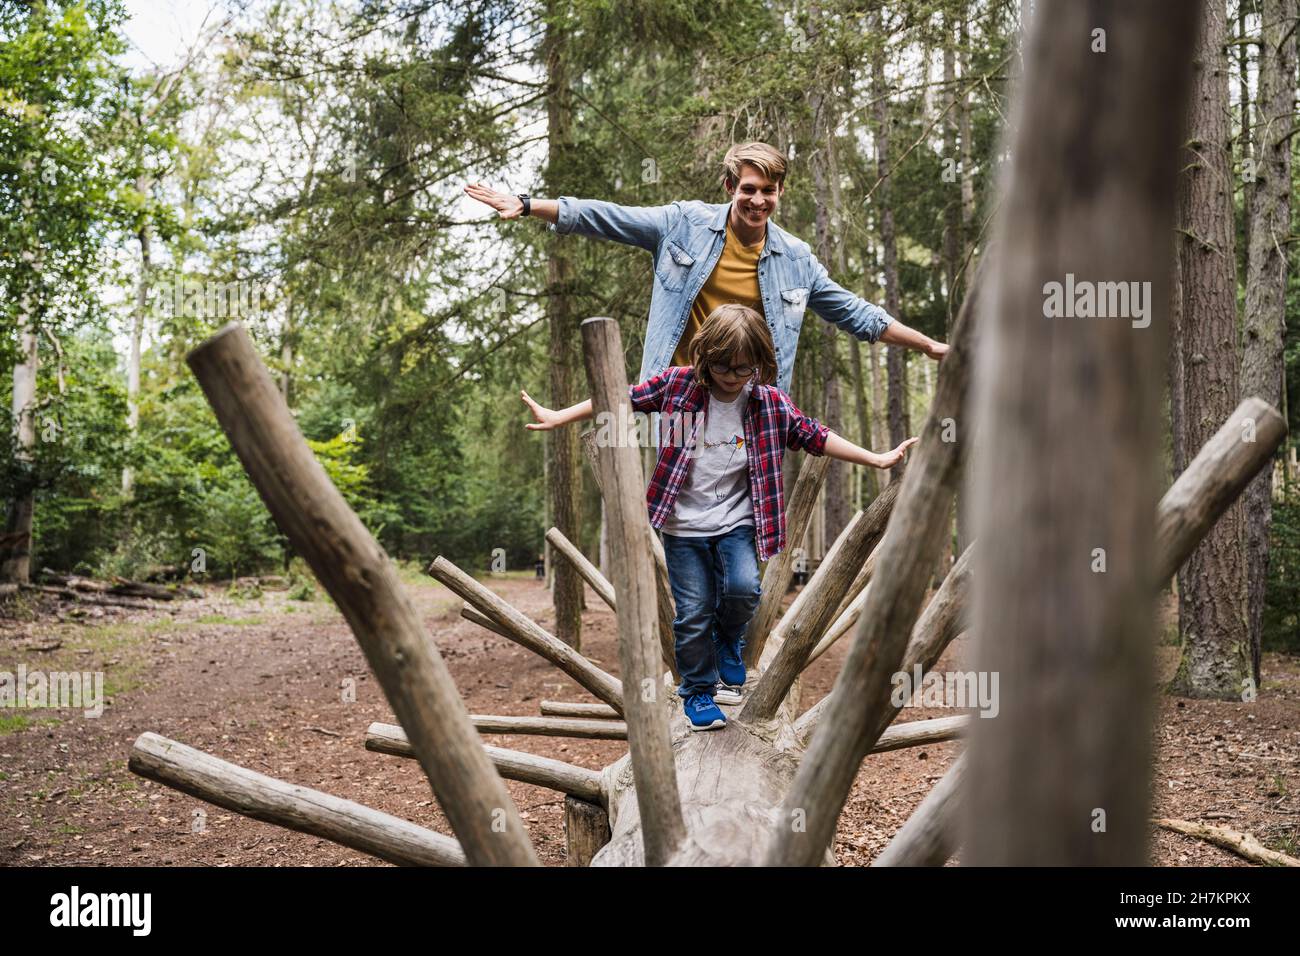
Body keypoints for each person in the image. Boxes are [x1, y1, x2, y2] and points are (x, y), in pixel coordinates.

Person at [520, 304, 917, 732]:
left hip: (738, 522)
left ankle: (729, 639)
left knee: (745, 590)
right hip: (683, 527)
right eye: (721, 366)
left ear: (759, 365)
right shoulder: (677, 387)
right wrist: (559, 415)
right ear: (704, 356)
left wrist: (875, 458)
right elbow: (619, 397)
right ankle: (698, 692)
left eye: (741, 369)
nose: (730, 376)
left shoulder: (768, 403)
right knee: (693, 611)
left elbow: (814, 434)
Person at [465, 141, 947, 400]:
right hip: (681, 392)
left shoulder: (797, 259)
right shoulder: (683, 225)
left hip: (751, 403)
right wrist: (528, 205)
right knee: (684, 522)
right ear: (730, 186)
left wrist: (926, 345)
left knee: (741, 533)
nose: (759, 200)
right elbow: (608, 216)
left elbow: (858, 314)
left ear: (780, 192)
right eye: (749, 189)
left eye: (769, 191)